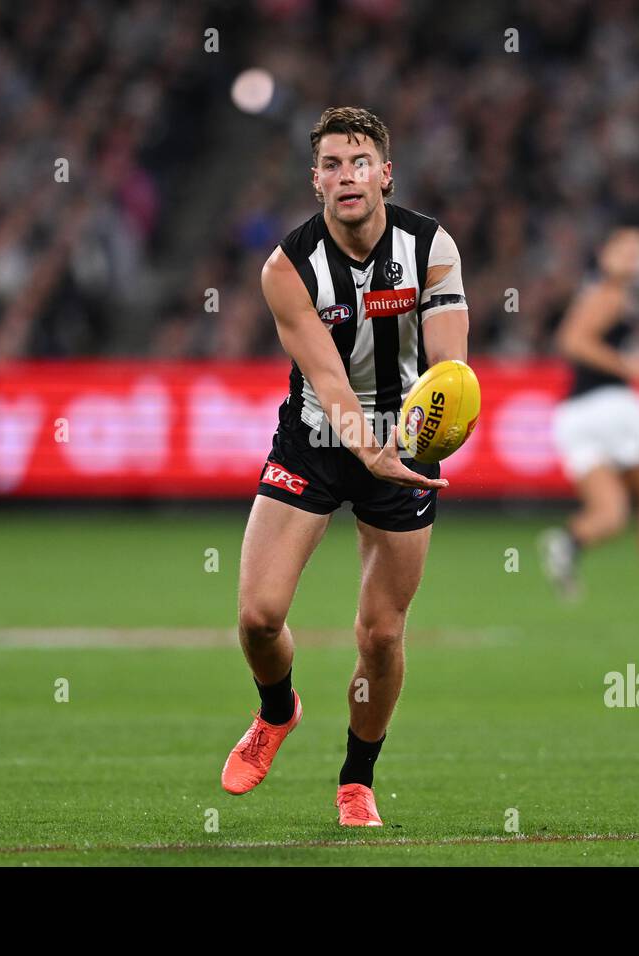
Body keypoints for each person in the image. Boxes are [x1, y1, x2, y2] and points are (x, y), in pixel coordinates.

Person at [219, 107, 469, 827]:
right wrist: (369, 446)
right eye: (331, 164)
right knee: (259, 618)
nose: (346, 175)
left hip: (406, 441)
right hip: (316, 441)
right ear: (316, 181)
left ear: (385, 174)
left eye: (359, 162)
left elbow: (452, 369)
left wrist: (431, 435)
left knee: (382, 635)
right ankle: (277, 710)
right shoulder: (287, 268)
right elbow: (328, 383)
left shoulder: (430, 247)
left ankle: (357, 779)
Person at [539, 228, 639, 631]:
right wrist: (630, 367)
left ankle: (570, 542)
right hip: (614, 407)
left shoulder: (606, 295)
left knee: (611, 514)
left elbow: (586, 342)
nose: (633, 259)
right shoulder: (611, 293)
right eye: (625, 250)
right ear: (604, 253)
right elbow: (573, 340)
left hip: (573, 415)